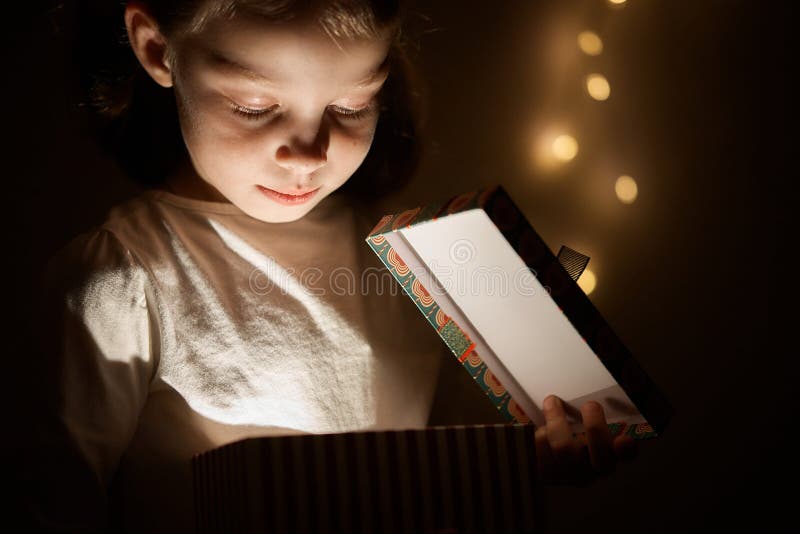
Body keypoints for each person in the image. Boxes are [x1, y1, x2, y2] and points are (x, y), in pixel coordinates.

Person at [27, 0, 637, 531]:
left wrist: (526, 460)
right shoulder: (122, 278)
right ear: (157, 49)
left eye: (351, 106)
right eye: (254, 106)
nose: (309, 154)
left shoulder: (413, 263)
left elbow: (434, 476)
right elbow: (53, 507)